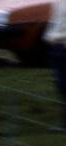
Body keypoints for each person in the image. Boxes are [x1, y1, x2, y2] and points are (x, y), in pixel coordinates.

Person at [49, 0, 66, 129]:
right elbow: (54, 22)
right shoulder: (59, 2)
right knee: (61, 85)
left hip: (63, 45)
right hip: (56, 46)